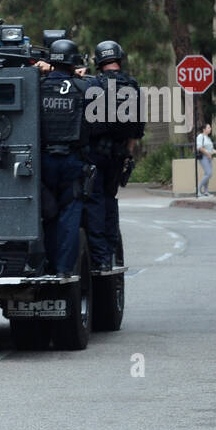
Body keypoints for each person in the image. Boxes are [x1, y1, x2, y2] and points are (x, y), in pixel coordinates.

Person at [83, 40, 143, 270]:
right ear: (119, 59)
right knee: (110, 201)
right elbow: (137, 129)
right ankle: (109, 253)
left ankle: (99, 258)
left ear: (98, 61)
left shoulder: (92, 86)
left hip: (95, 155)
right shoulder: (132, 86)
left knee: (95, 202)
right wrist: (127, 153)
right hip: (118, 155)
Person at [38, 38, 92, 276]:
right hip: (72, 161)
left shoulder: (36, 86)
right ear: (73, 64)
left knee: (48, 213)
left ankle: (48, 265)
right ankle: (63, 270)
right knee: (70, 216)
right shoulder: (83, 89)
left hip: (43, 162)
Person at [195, 123, 216, 197]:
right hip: (204, 157)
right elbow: (199, 147)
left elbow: (211, 150)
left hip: (209, 158)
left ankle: (206, 191)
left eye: (210, 127)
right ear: (204, 129)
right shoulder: (200, 136)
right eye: (208, 128)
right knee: (209, 173)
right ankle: (198, 190)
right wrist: (208, 154)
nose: (210, 129)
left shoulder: (208, 138)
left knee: (207, 175)